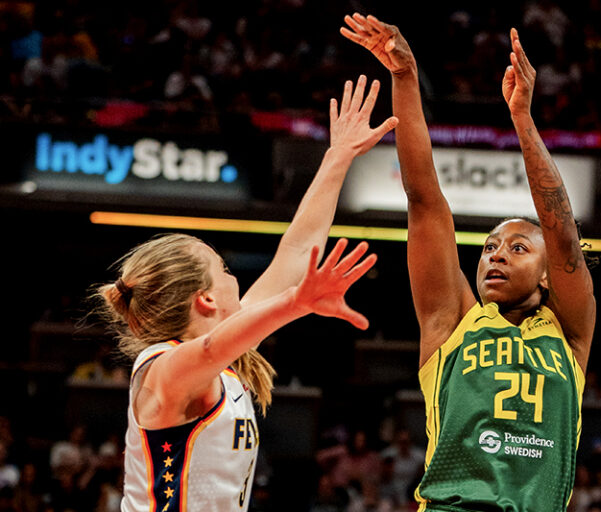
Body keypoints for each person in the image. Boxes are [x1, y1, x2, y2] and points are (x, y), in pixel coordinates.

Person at [93, 75, 397, 512]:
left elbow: (296, 251)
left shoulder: (226, 354)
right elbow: (211, 348)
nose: (234, 277)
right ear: (206, 299)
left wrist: (338, 156)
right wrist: (294, 303)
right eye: (224, 269)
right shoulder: (161, 369)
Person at [342, 15, 595, 511]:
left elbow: (563, 235)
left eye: (518, 248)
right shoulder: (453, 321)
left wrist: (522, 120)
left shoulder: (569, 334)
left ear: (547, 274)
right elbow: (424, 200)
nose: (497, 254)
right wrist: (405, 78)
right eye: (490, 247)